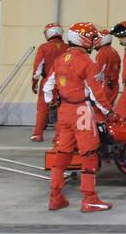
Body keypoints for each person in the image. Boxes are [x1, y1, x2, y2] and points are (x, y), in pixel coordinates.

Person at [42, 22, 112, 213]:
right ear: (84, 39)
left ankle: (55, 197)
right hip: (81, 110)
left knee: (62, 153)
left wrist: (52, 102)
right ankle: (89, 198)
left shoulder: (60, 58)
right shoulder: (87, 62)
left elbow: (47, 86)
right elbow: (96, 92)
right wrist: (108, 111)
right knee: (89, 154)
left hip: (64, 111)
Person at [29, 22, 67, 142]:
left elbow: (37, 68)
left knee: (42, 108)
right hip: (64, 83)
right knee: (63, 109)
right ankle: (59, 137)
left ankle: (38, 134)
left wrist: (34, 83)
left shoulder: (44, 47)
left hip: (47, 82)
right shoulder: (68, 48)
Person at [94, 28, 121, 99]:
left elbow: (97, 72)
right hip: (114, 85)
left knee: (99, 108)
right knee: (108, 107)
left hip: (105, 85)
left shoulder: (102, 52)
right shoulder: (113, 51)